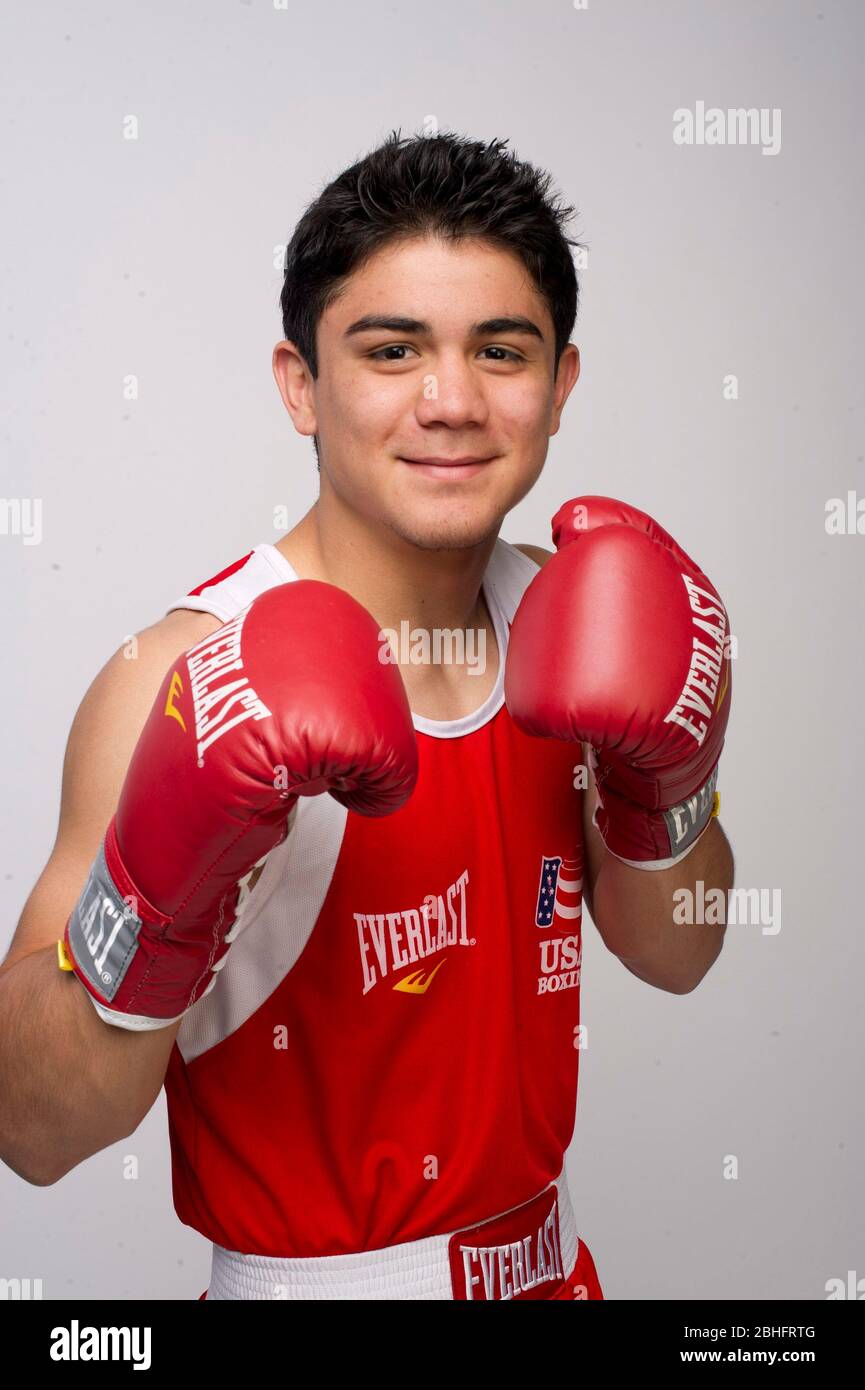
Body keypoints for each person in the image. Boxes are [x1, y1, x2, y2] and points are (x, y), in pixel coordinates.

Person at [0, 130, 733, 1301]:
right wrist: (156, 904)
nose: (449, 402)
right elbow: (32, 1132)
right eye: (391, 351)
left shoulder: (582, 624)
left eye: (501, 350)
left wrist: (669, 781)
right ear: (302, 383)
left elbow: (676, 953)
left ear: (561, 384)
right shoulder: (183, 675)